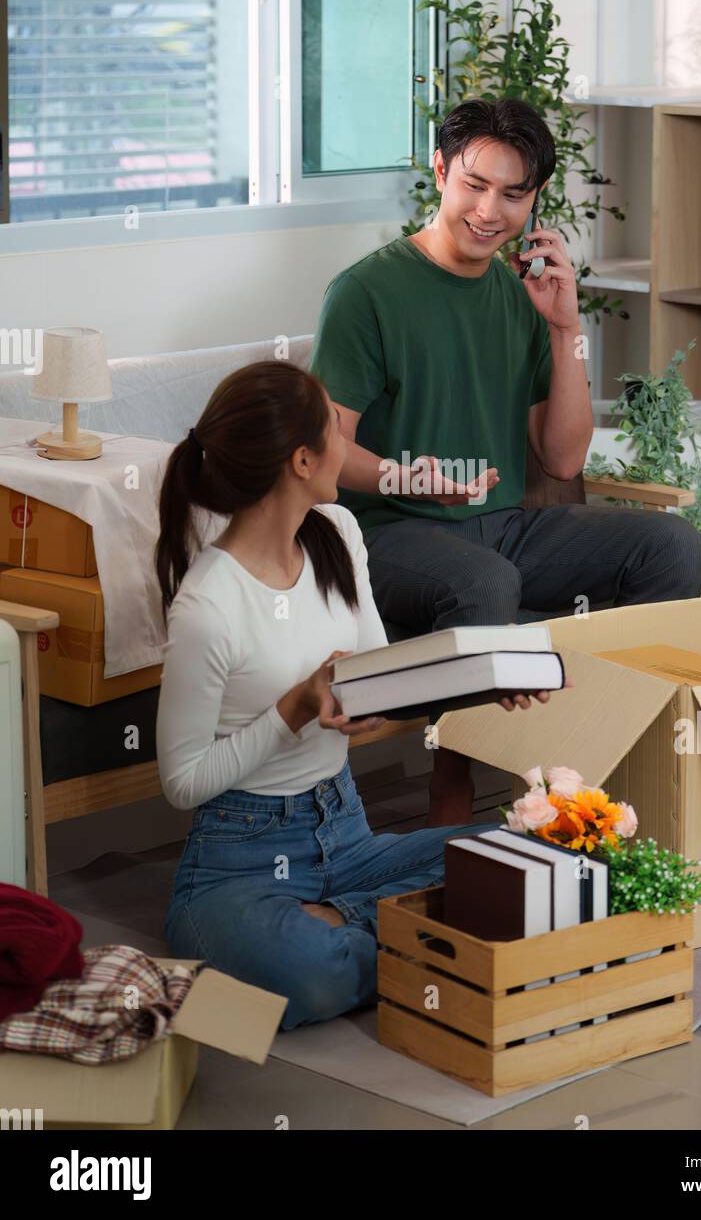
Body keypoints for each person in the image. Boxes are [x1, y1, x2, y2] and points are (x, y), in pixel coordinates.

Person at [309, 96, 701, 827]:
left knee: (671, 544)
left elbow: (562, 455)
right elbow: (324, 454)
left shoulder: (520, 295)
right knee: (485, 580)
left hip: (501, 524)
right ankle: (455, 800)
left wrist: (564, 326)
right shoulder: (366, 293)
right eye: (474, 184)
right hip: (387, 535)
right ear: (439, 171)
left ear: (535, 199)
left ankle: (604, 756)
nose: (490, 210)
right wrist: (407, 476)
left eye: (513, 193)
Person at [154, 359, 552, 1031]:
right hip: (239, 866)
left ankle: (350, 920)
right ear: (302, 460)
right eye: (335, 430)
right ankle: (424, 940)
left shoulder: (337, 532)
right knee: (312, 975)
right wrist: (296, 706)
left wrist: (483, 681)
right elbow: (183, 782)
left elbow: (377, 673)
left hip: (347, 834)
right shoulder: (208, 605)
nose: (348, 442)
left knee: (541, 861)